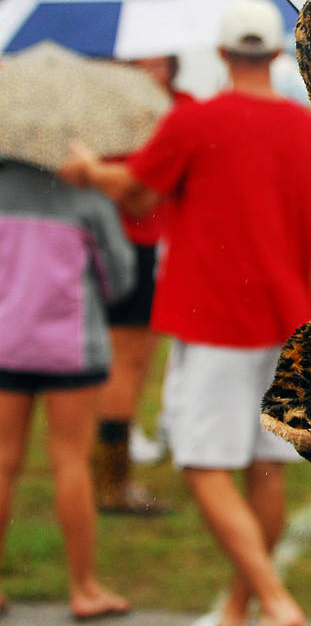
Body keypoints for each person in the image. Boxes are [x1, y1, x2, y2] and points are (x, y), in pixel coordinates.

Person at [60, 0, 311, 626]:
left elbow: (139, 192)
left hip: (211, 317)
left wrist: (90, 172)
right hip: (288, 320)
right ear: (275, 54)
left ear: (221, 54)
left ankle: (273, 600)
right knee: (265, 470)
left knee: (203, 464)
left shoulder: (197, 120)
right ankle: (240, 610)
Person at [0, 158, 135, 620]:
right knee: (70, 461)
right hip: (71, 347)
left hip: (5, 344)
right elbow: (119, 278)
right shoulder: (86, 196)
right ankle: (83, 587)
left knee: (2, 463)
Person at [93, 55, 191, 516]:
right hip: (135, 245)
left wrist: (99, 176)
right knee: (126, 366)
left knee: (118, 365)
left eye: (158, 64)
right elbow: (142, 197)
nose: (151, 72)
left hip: (118, 242)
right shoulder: (157, 108)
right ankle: (111, 483)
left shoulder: (175, 106)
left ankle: (105, 475)